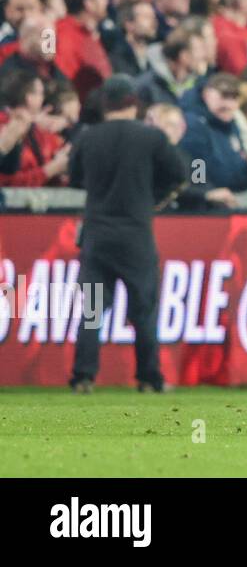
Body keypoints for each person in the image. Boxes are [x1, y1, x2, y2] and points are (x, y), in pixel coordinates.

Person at [68, 74, 188, 393]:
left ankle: (83, 376)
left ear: (104, 104)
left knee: (93, 310)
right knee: (143, 311)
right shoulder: (151, 138)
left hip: (97, 235)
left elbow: (75, 178)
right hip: (136, 235)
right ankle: (149, 378)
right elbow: (179, 174)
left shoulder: (88, 138)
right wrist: (153, 197)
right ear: (135, 104)